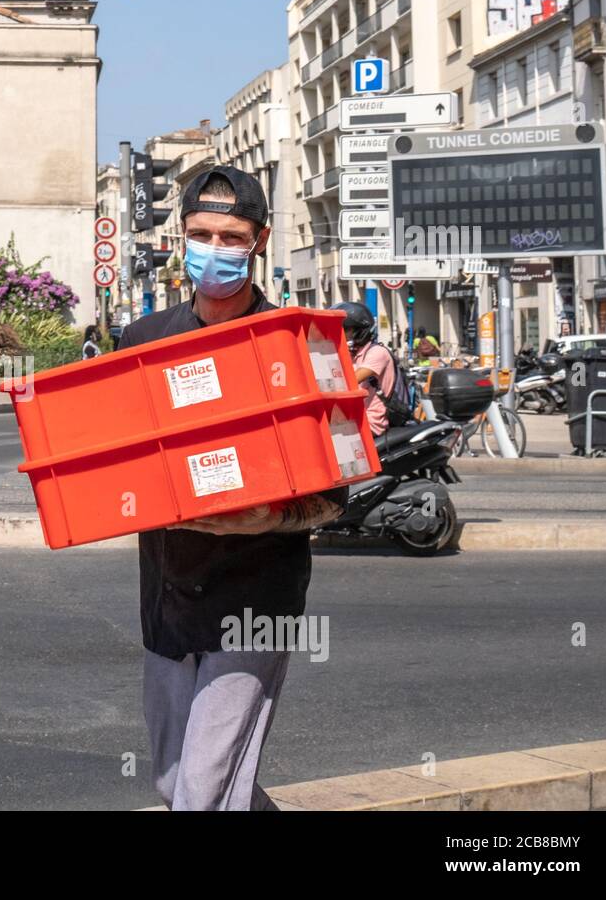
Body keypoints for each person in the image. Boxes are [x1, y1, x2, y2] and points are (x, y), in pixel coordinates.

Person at [116, 166, 347, 811]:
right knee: (176, 783)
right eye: (199, 233)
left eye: (229, 235)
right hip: (165, 601)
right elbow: (117, 464)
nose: (212, 248)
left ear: (260, 240)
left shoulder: (299, 344)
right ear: (179, 236)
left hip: (255, 604)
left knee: (202, 791)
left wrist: (263, 518)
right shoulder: (140, 343)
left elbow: (340, 490)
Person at [330, 302, 402, 437]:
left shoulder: (377, 353)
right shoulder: (354, 354)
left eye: (345, 329)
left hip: (370, 422)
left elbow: (349, 380)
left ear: (360, 330)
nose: (341, 333)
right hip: (352, 417)